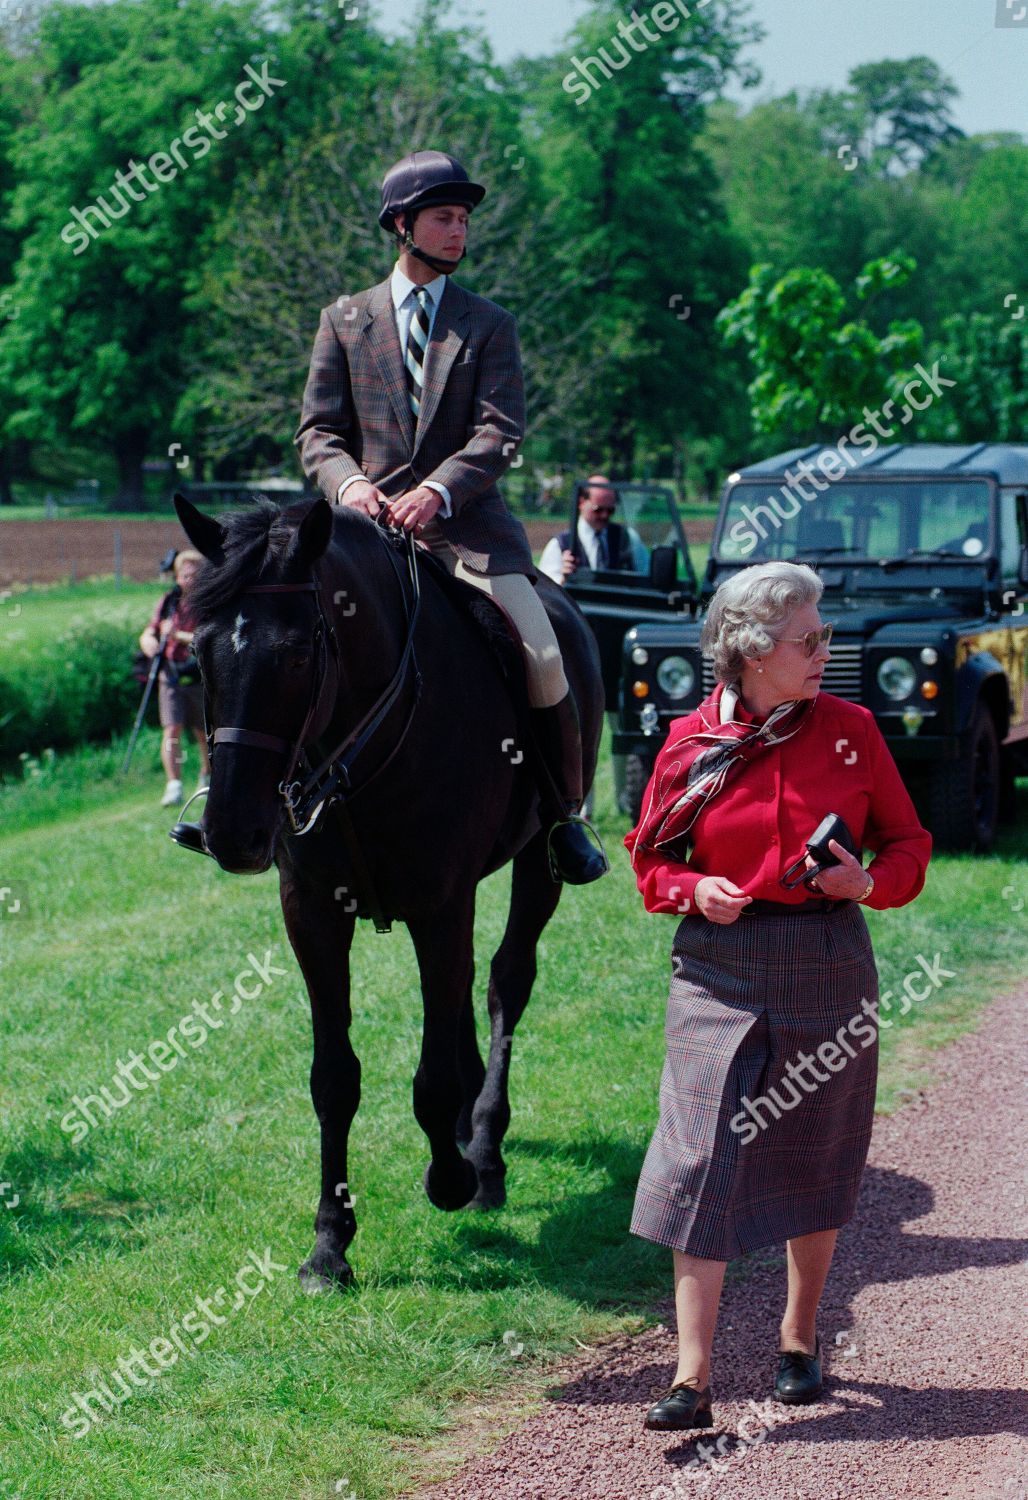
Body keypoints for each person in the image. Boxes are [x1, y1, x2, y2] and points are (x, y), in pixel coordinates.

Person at [623, 560, 931, 1431]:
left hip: (829, 959)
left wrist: (868, 884)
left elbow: (909, 842)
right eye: (810, 639)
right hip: (716, 968)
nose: (824, 651)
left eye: (824, 635)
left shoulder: (852, 730)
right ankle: (693, 1377)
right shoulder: (689, 744)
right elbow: (650, 859)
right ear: (753, 651)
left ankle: (798, 1341)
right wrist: (694, 892)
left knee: (816, 1149)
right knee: (696, 1156)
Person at [295, 148, 607, 883]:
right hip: (365, 535)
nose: (459, 231)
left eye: (464, 219)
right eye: (444, 218)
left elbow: (500, 432)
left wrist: (436, 490)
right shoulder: (342, 321)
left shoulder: (489, 323)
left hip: (468, 536)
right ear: (401, 225)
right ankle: (257, 800)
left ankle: (565, 816)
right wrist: (348, 489)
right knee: (281, 643)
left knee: (543, 653)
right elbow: (318, 433)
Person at [138, 549, 210, 807]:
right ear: (177, 577)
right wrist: (148, 641)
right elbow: (151, 630)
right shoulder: (169, 601)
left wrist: (178, 635)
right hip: (170, 672)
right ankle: (174, 784)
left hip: (197, 673)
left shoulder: (207, 602)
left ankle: (206, 774)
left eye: (194, 574)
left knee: (203, 730)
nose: (189, 579)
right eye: (184, 575)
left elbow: (207, 637)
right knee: (171, 728)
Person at [537, 475, 649, 585]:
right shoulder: (560, 545)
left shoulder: (628, 538)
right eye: (598, 510)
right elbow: (546, 593)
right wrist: (564, 580)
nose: (604, 516)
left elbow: (646, 577)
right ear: (581, 503)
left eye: (610, 510)